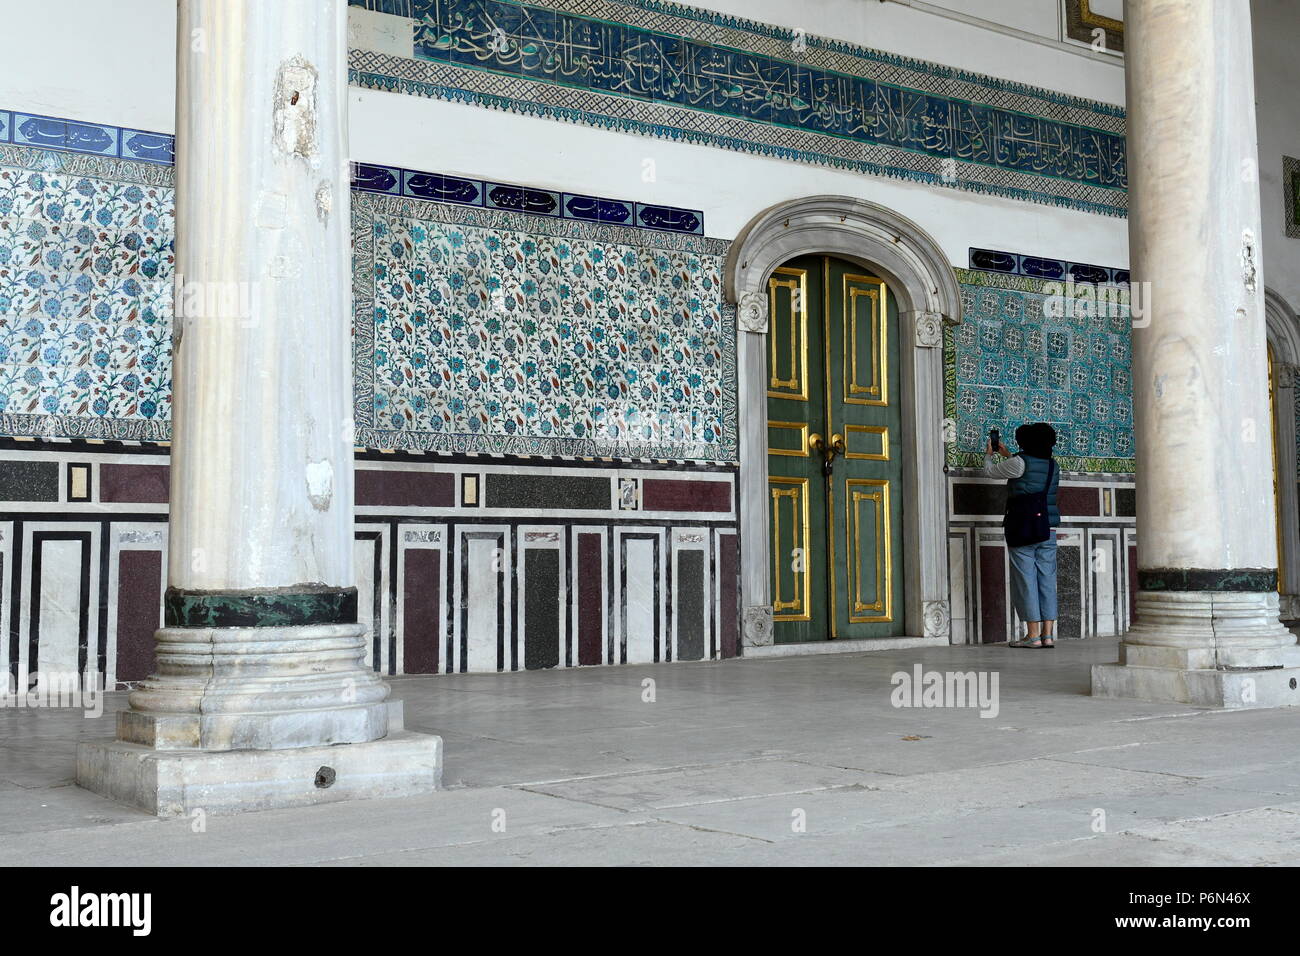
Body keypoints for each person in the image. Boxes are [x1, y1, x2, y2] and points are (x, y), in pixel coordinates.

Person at [984, 423, 1060, 648]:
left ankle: (1032, 636)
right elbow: (1027, 468)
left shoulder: (1019, 463)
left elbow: (990, 472)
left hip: (1023, 528)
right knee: (1047, 580)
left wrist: (990, 455)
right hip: (1048, 528)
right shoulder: (1053, 466)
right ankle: (1047, 635)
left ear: (1025, 443)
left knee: (1025, 580)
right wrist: (1008, 455)